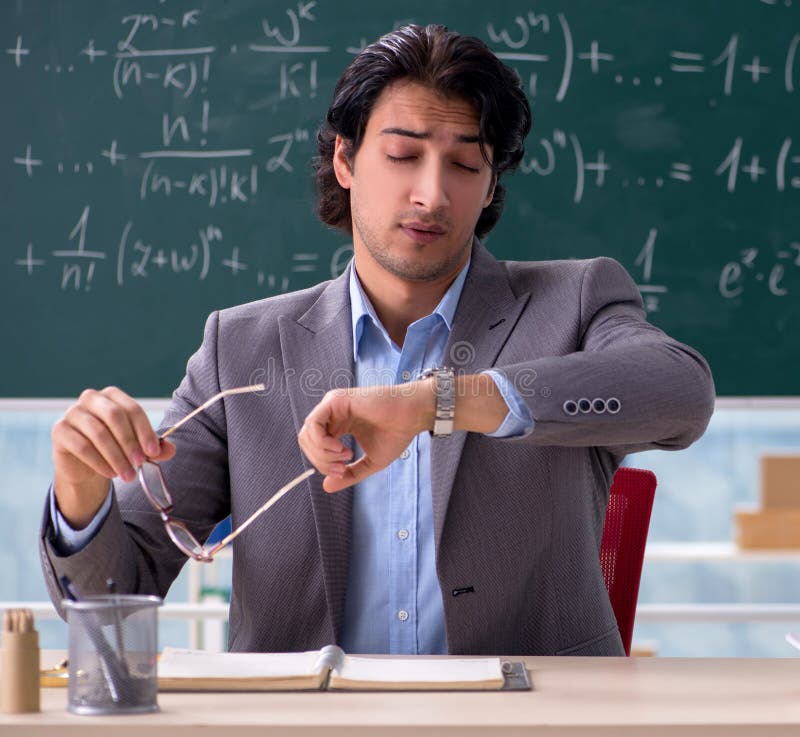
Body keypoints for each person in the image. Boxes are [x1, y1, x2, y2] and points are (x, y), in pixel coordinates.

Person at [40, 24, 714, 657]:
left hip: (525, 717)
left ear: (489, 188)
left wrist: (437, 403)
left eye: (464, 165)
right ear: (345, 159)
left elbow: (680, 390)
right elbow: (109, 598)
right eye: (402, 154)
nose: (431, 193)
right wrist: (78, 488)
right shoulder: (239, 347)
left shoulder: (575, 300)